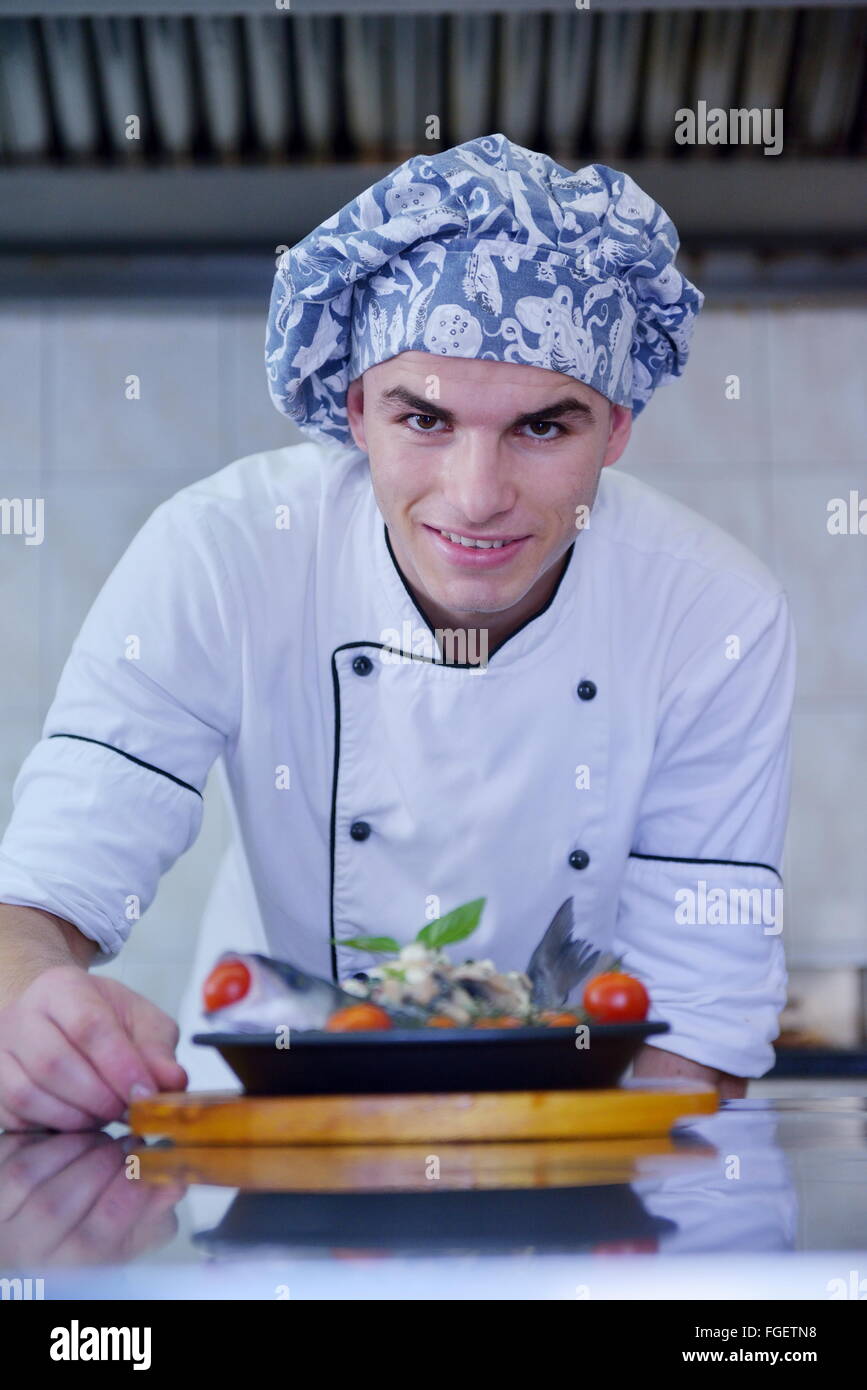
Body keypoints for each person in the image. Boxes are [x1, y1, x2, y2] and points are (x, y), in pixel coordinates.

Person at [0, 135, 794, 1130]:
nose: (478, 496)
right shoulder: (223, 551)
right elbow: (39, 899)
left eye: (544, 427)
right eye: (425, 421)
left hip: (572, 1146)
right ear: (355, 411)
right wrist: (31, 1006)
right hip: (269, 1136)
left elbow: (699, 1030)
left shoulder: (712, 614)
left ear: (619, 425)